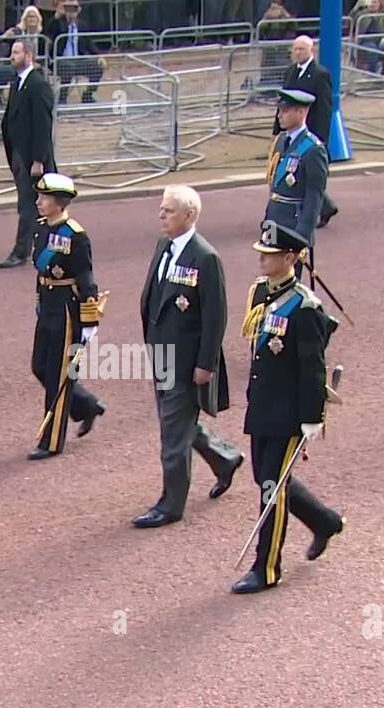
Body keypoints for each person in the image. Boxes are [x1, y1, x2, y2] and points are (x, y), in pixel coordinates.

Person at [233, 222, 344, 594]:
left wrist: (313, 418)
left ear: (290, 258)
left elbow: (312, 366)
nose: (262, 259)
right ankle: (324, 520)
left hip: (289, 412)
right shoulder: (262, 293)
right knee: (265, 478)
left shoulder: (306, 307)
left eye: (269, 254)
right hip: (263, 403)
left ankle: (267, 568)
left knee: (271, 488)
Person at [134, 185, 243, 529]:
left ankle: (171, 504)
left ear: (189, 216)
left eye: (168, 210)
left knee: (172, 435)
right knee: (177, 424)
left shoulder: (205, 257)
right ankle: (225, 458)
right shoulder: (164, 246)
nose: (161, 215)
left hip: (186, 360)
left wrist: (205, 364)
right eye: (161, 209)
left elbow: (215, 315)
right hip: (162, 353)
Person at [28, 172, 107, 459]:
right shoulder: (40, 229)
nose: (38, 202)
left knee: (59, 375)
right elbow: (41, 271)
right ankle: (86, 405)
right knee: (39, 366)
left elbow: (86, 278)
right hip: (48, 304)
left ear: (60, 203)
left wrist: (89, 320)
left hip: (67, 309)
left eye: (44, 198)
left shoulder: (75, 235)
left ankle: (50, 441)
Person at [0, 37, 57, 269]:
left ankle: (21, 251)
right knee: (39, 204)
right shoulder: (18, 83)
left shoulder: (37, 84)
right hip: (19, 154)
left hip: (32, 158)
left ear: (29, 55)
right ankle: (45, 244)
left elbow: (43, 125)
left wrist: (38, 160)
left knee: (30, 205)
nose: (12, 57)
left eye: (16, 52)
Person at [272, 35, 339, 228]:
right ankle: (325, 207)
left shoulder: (320, 74)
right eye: (295, 49)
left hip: (310, 131)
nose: (298, 52)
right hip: (291, 130)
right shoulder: (290, 71)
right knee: (294, 171)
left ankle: (319, 208)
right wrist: (277, 130)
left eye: (302, 49)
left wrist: (322, 138)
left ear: (311, 51)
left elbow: (324, 108)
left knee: (306, 173)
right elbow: (283, 104)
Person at [264, 88, 329, 248]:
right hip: (274, 218)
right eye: (279, 110)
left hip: (293, 223)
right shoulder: (281, 140)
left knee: (289, 272)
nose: (279, 115)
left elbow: (314, 197)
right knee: (269, 266)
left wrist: (301, 235)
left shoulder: (313, 149)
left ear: (301, 112)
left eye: (285, 111)